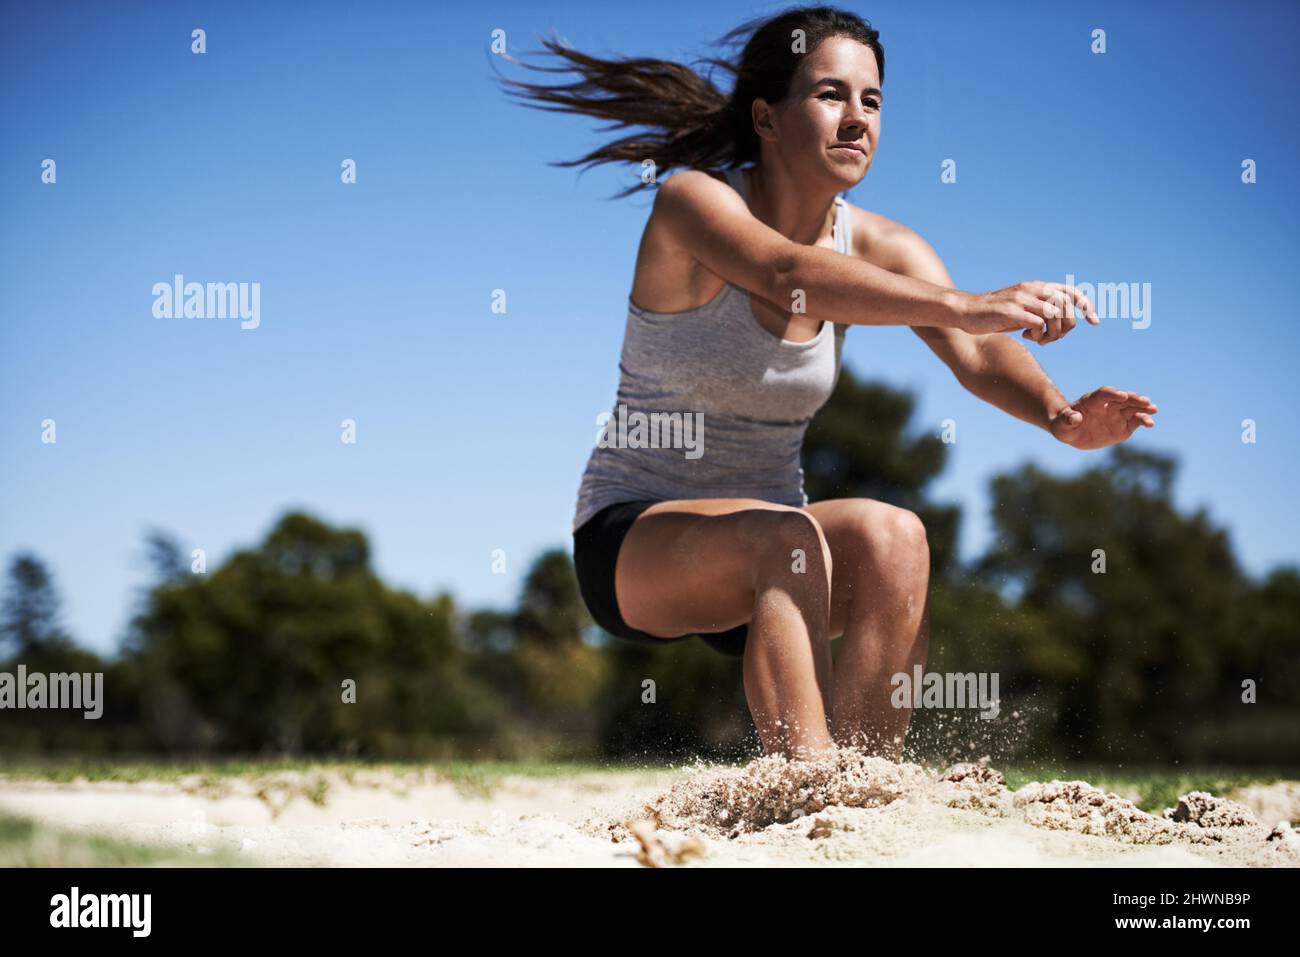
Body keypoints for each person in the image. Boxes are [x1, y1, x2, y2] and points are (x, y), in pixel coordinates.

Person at [500, 5, 1157, 760]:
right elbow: (787, 275)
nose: (857, 119)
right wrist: (967, 302)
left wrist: (1060, 413)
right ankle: (807, 789)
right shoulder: (693, 202)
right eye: (831, 95)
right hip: (637, 537)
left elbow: (975, 356)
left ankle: (866, 795)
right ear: (766, 117)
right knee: (790, 537)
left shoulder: (881, 244)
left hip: (785, 553)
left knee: (895, 536)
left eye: (872, 101)